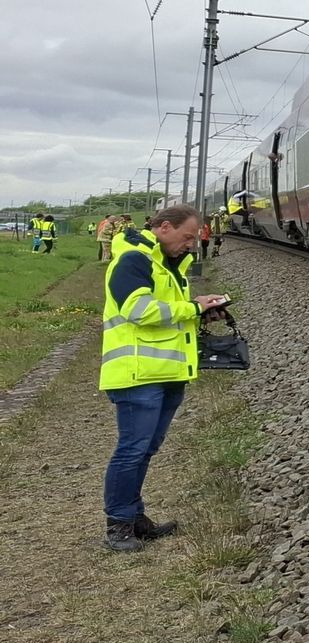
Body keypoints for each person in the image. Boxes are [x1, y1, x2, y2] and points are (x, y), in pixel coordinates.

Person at [100, 205, 223, 551]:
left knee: (146, 449)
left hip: (167, 373)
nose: (190, 245)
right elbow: (140, 312)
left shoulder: (168, 268)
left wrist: (201, 312)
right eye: (186, 237)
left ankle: (134, 516)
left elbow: (169, 315)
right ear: (164, 227)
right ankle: (119, 524)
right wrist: (194, 307)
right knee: (132, 450)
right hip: (138, 375)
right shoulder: (133, 261)